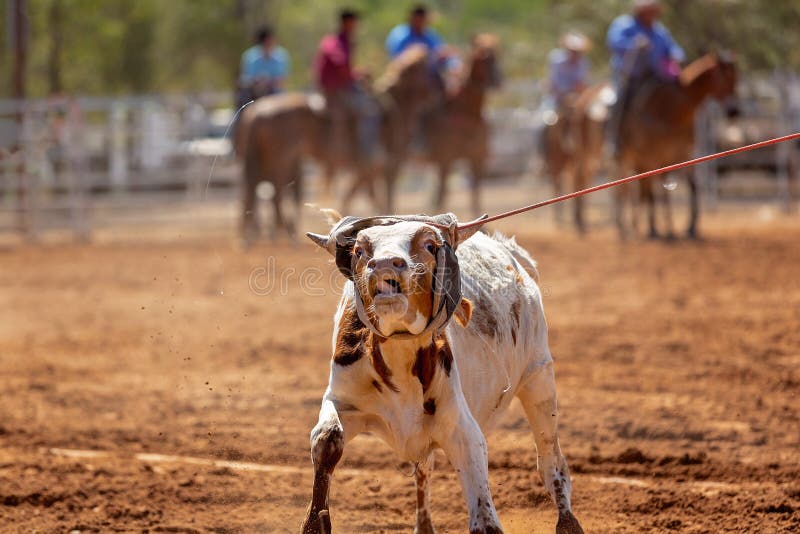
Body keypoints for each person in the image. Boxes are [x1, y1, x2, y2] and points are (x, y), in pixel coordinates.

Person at [606, 0, 685, 154]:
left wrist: (676, 56)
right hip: (630, 76)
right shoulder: (624, 25)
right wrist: (634, 44)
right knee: (620, 101)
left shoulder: (659, 30)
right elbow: (614, 42)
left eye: (653, 11)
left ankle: (675, 140)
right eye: (648, 11)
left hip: (655, 77)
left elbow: (674, 48)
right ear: (639, 12)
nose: (651, 15)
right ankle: (615, 139)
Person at [314, 9, 379, 163]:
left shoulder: (334, 40)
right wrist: (358, 75)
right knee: (370, 111)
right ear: (346, 23)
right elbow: (340, 64)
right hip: (336, 90)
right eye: (354, 23)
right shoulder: (336, 42)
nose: (356, 27)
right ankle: (367, 154)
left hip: (338, 87)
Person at [385, 4, 460, 91]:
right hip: (405, 78)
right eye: (418, 19)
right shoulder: (400, 35)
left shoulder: (430, 35)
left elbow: (442, 52)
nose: (421, 23)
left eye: (423, 20)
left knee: (450, 89)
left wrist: (454, 65)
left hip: (429, 79)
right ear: (412, 19)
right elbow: (396, 56)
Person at [238, 26, 290, 104]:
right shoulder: (250, 56)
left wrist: (271, 82)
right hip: (254, 94)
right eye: (267, 42)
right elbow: (244, 78)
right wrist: (256, 81)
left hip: (276, 94)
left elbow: (283, 79)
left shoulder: (282, 56)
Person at [547, 31, 591, 107]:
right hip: (556, 95)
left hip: (575, 95)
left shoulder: (583, 63)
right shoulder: (557, 59)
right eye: (573, 51)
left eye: (578, 52)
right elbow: (554, 81)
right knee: (548, 114)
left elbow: (580, 81)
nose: (575, 54)